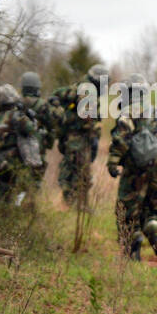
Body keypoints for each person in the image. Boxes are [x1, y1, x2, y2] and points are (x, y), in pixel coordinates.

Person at [106, 73, 157, 267]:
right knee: (152, 211)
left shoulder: (128, 114)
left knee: (127, 213)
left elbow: (121, 141)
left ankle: (132, 255)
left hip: (134, 174)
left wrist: (112, 163)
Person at [51, 62, 107, 206]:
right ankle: (78, 206)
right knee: (81, 170)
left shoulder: (82, 86)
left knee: (72, 167)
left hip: (73, 135)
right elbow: (86, 118)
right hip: (78, 136)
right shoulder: (87, 90)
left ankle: (70, 204)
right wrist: (94, 133)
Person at [0, 83, 46, 216]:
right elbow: (30, 129)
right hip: (14, 159)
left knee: (3, 192)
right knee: (24, 189)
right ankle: (19, 220)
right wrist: (31, 118)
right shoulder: (15, 115)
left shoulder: (0, 116)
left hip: (1, 159)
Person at [19, 71, 57, 189]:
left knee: (20, 176)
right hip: (38, 147)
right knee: (35, 180)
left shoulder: (18, 103)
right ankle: (30, 202)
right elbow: (51, 125)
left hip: (19, 146)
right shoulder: (43, 105)